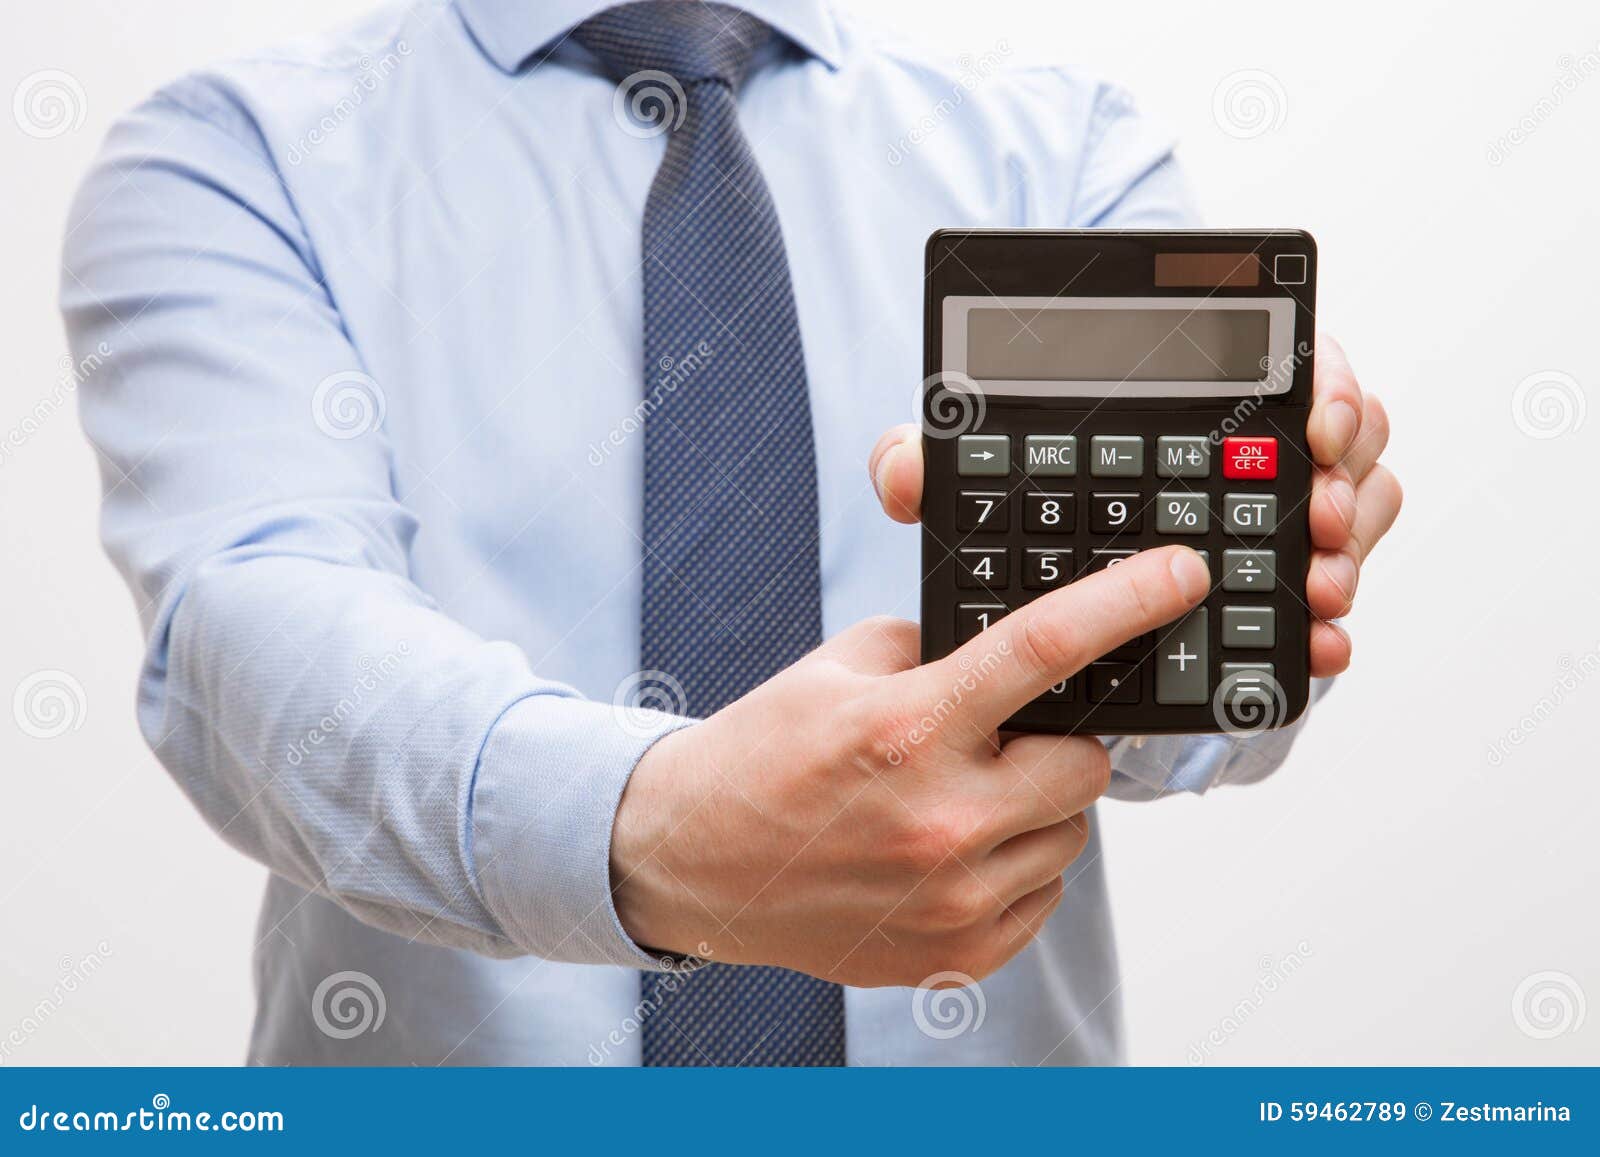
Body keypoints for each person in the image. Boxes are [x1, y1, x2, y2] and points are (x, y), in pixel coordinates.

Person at [60, 0, 1401, 1066]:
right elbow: (261, 640)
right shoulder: (238, 159)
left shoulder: (1058, 155)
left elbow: (1207, 725)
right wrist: (657, 832)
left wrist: (1264, 568)